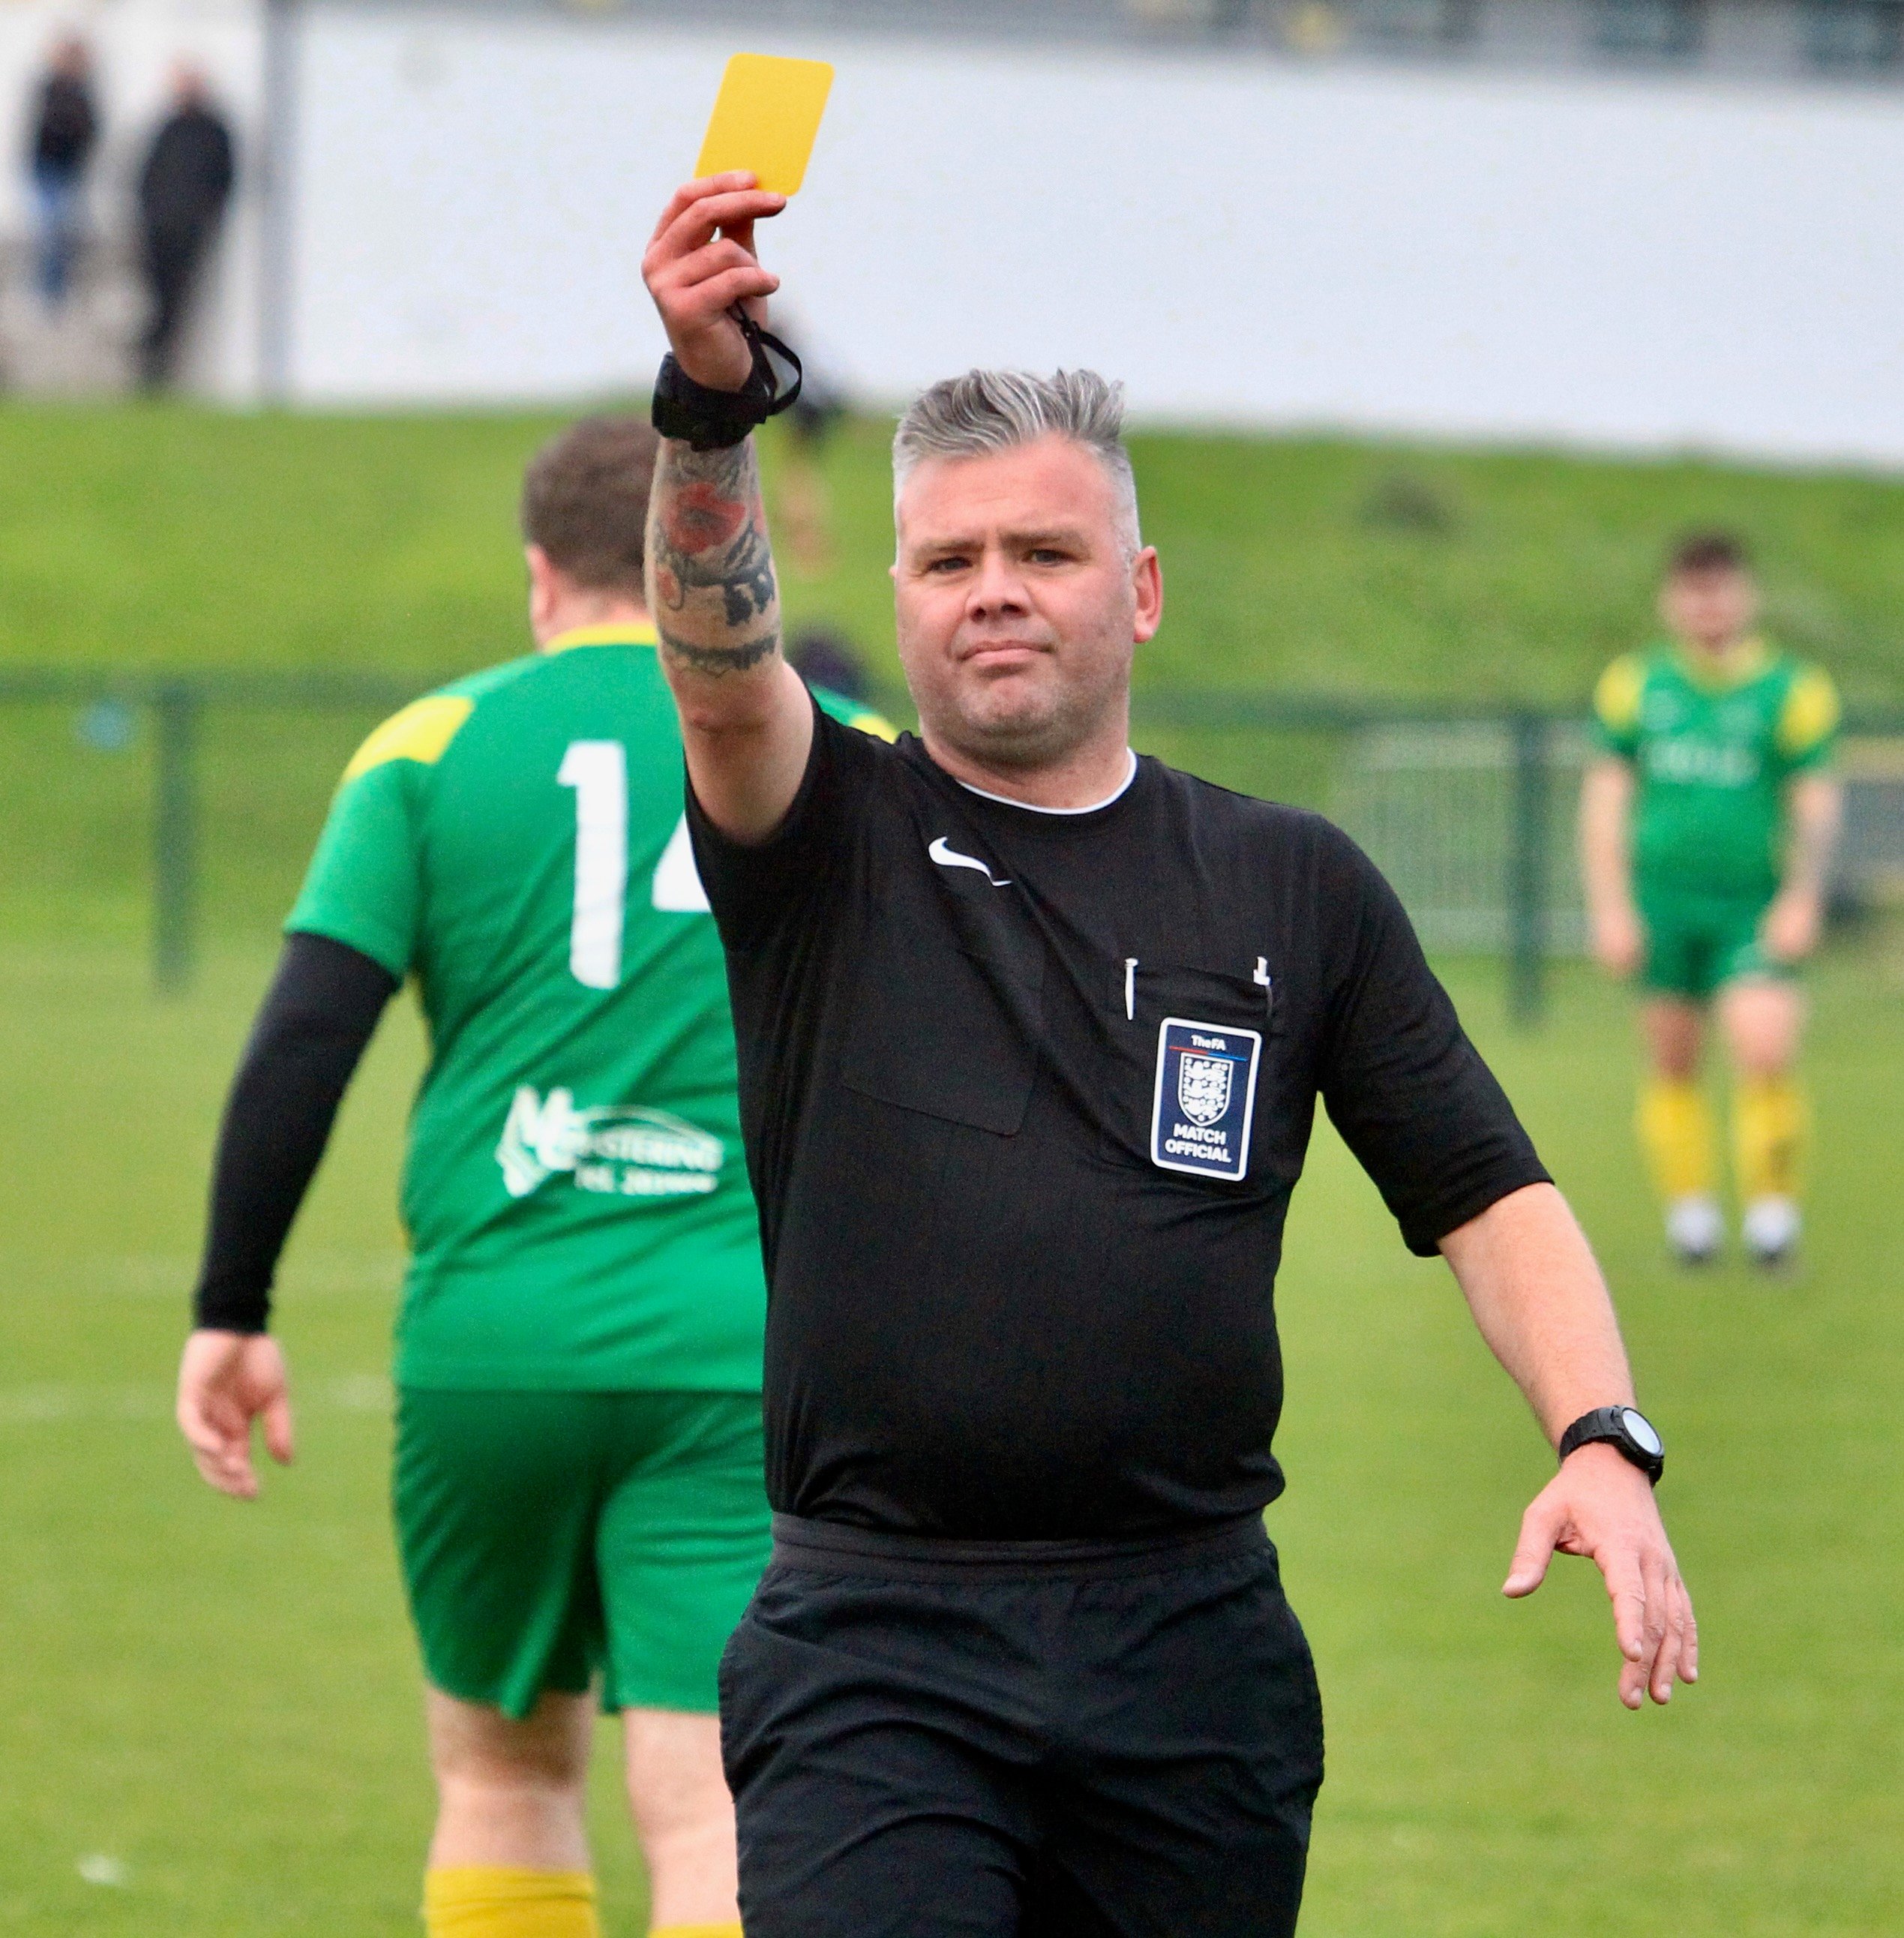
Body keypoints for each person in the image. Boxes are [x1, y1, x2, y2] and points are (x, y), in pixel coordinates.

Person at [635, 172, 1696, 1938]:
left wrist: (1601, 1435)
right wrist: (704, 408)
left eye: (1040, 555)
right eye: (950, 560)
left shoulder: (1288, 883)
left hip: (1187, 1651)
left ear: (1133, 592)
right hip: (876, 1642)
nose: (994, 594)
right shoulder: (824, 834)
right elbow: (719, 664)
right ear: (894, 594)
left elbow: (1483, 1189)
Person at [174, 416, 891, 1938]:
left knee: (501, 1781)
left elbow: (306, 1035)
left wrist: (233, 1301)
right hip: (738, 1345)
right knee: (711, 1800)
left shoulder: (428, 746)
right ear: (716, 544)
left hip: (490, 1336)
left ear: (538, 575)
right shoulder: (828, 738)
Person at [1582, 534, 1842, 1270]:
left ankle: (1771, 1220)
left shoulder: (1792, 689)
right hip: (1660, 902)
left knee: (1763, 1047)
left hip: (1749, 905)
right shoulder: (1636, 686)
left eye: (1721, 589)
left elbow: (1814, 801)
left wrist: (1800, 896)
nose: (1708, 607)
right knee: (1672, 1061)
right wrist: (1610, 907)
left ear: (1746, 594)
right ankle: (1691, 1218)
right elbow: (1604, 801)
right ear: (1672, 599)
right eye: (1694, 592)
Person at [135, 63, 235, 388]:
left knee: (178, 302)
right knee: (155, 299)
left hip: (191, 230)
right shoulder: (168, 128)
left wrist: (207, 215)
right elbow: (145, 175)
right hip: (158, 228)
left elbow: (224, 179)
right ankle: (152, 365)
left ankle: (163, 368)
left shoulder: (214, 131)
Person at [26, 35, 98, 310]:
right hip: (46, 166)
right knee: (50, 228)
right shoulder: (48, 88)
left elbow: (88, 130)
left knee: (61, 228)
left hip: (69, 168)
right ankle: (47, 291)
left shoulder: (82, 92)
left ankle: (55, 289)